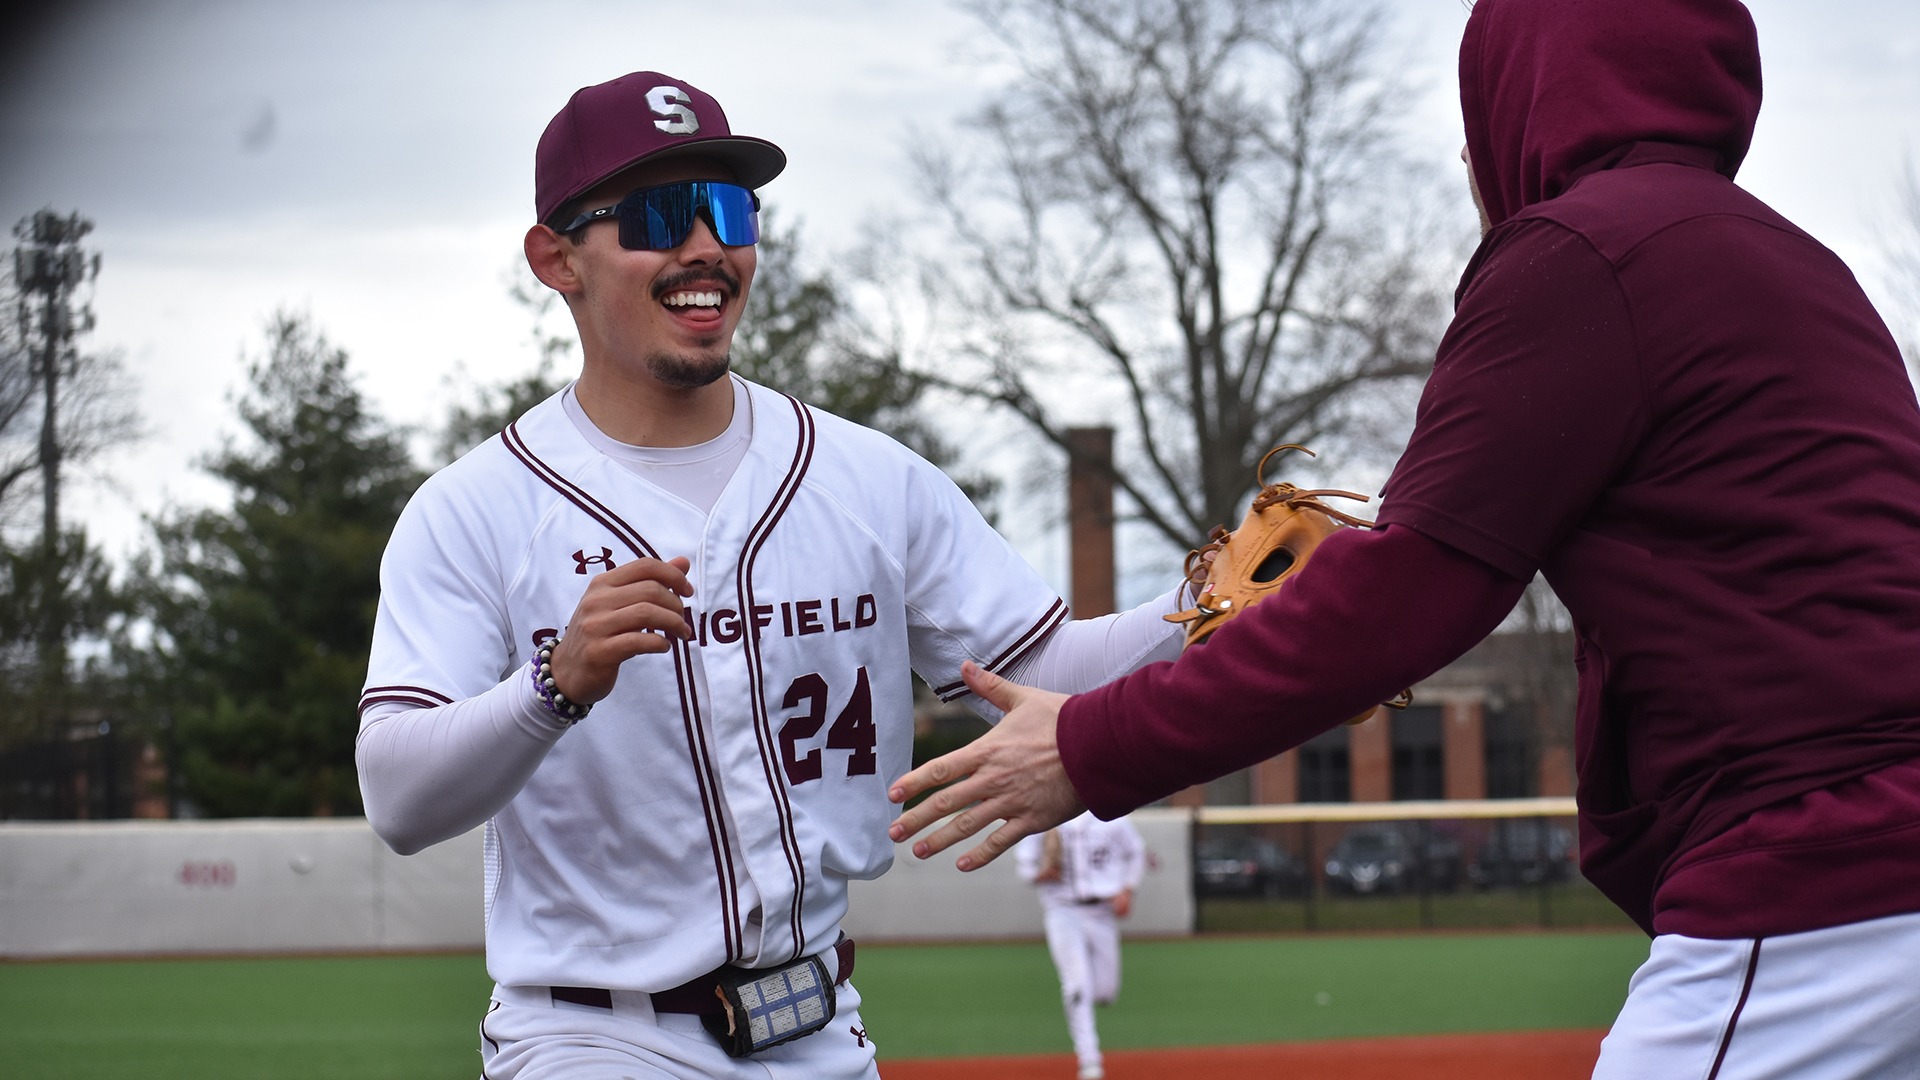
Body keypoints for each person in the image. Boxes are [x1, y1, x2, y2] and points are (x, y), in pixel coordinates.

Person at [888, 1, 1920, 1076]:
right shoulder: (1808, 271)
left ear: (1534, 97)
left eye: (1484, 111)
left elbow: (1402, 601)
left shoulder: (1580, 254)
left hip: (1828, 880)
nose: (1474, 158)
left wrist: (1097, 743)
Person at [355, 71, 1189, 1079]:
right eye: (661, 215)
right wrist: (553, 684)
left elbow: (1046, 674)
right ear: (556, 258)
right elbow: (397, 796)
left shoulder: (867, 478)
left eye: (730, 209)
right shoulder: (476, 509)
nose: (706, 245)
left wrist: (1208, 603)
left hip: (818, 1024)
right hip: (592, 1035)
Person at [1013, 813, 1145, 1080]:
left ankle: (1083, 1004)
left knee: (1105, 992)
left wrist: (1128, 890)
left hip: (1103, 913)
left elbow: (1136, 851)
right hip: (1062, 911)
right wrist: (1039, 874)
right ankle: (1089, 1060)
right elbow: (1024, 864)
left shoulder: (1111, 816)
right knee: (1077, 985)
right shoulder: (1048, 816)